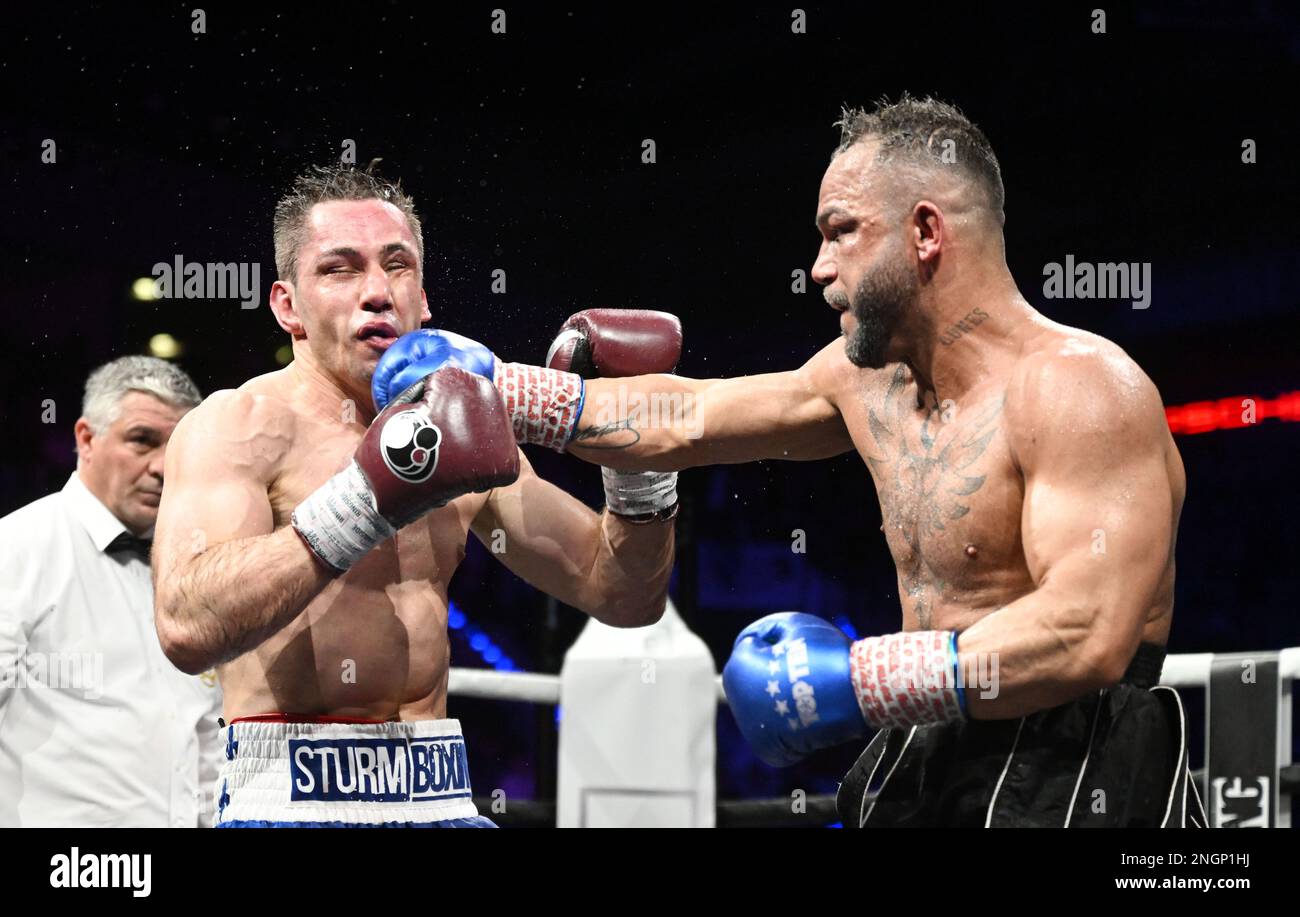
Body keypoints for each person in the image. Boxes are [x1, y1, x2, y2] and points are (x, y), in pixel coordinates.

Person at [379, 95, 1205, 827]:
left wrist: (860, 679)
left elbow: (1087, 633)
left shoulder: (1080, 392)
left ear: (926, 232)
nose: (819, 269)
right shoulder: (866, 380)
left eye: (842, 233)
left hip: (1078, 760)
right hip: (928, 746)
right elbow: (690, 416)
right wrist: (498, 387)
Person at [151, 165, 679, 828]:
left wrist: (637, 470)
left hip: (444, 799)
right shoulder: (238, 424)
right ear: (289, 306)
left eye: (396, 265)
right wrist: (366, 500)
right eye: (340, 269)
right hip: (292, 800)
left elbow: (623, 593)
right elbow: (185, 626)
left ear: (423, 296)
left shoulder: (458, 422)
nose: (376, 292)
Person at [0, 355, 221, 827]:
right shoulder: (16, 550)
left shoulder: (204, 566)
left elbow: (206, 743)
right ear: (86, 439)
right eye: (142, 440)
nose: (163, 467)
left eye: (179, 447)